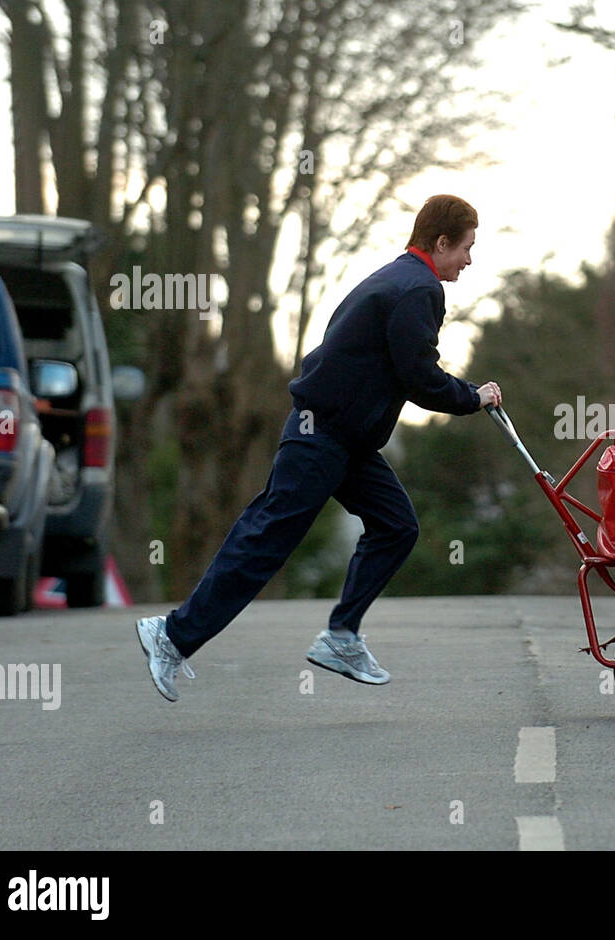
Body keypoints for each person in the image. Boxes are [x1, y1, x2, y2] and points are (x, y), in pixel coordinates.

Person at [136, 194, 501, 701]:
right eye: (465, 248)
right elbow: (419, 377)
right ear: (441, 242)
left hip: (343, 438)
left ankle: (341, 637)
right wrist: (473, 396)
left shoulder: (395, 278)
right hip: (323, 436)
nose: (468, 259)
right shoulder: (418, 290)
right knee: (265, 540)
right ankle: (171, 635)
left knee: (396, 526)